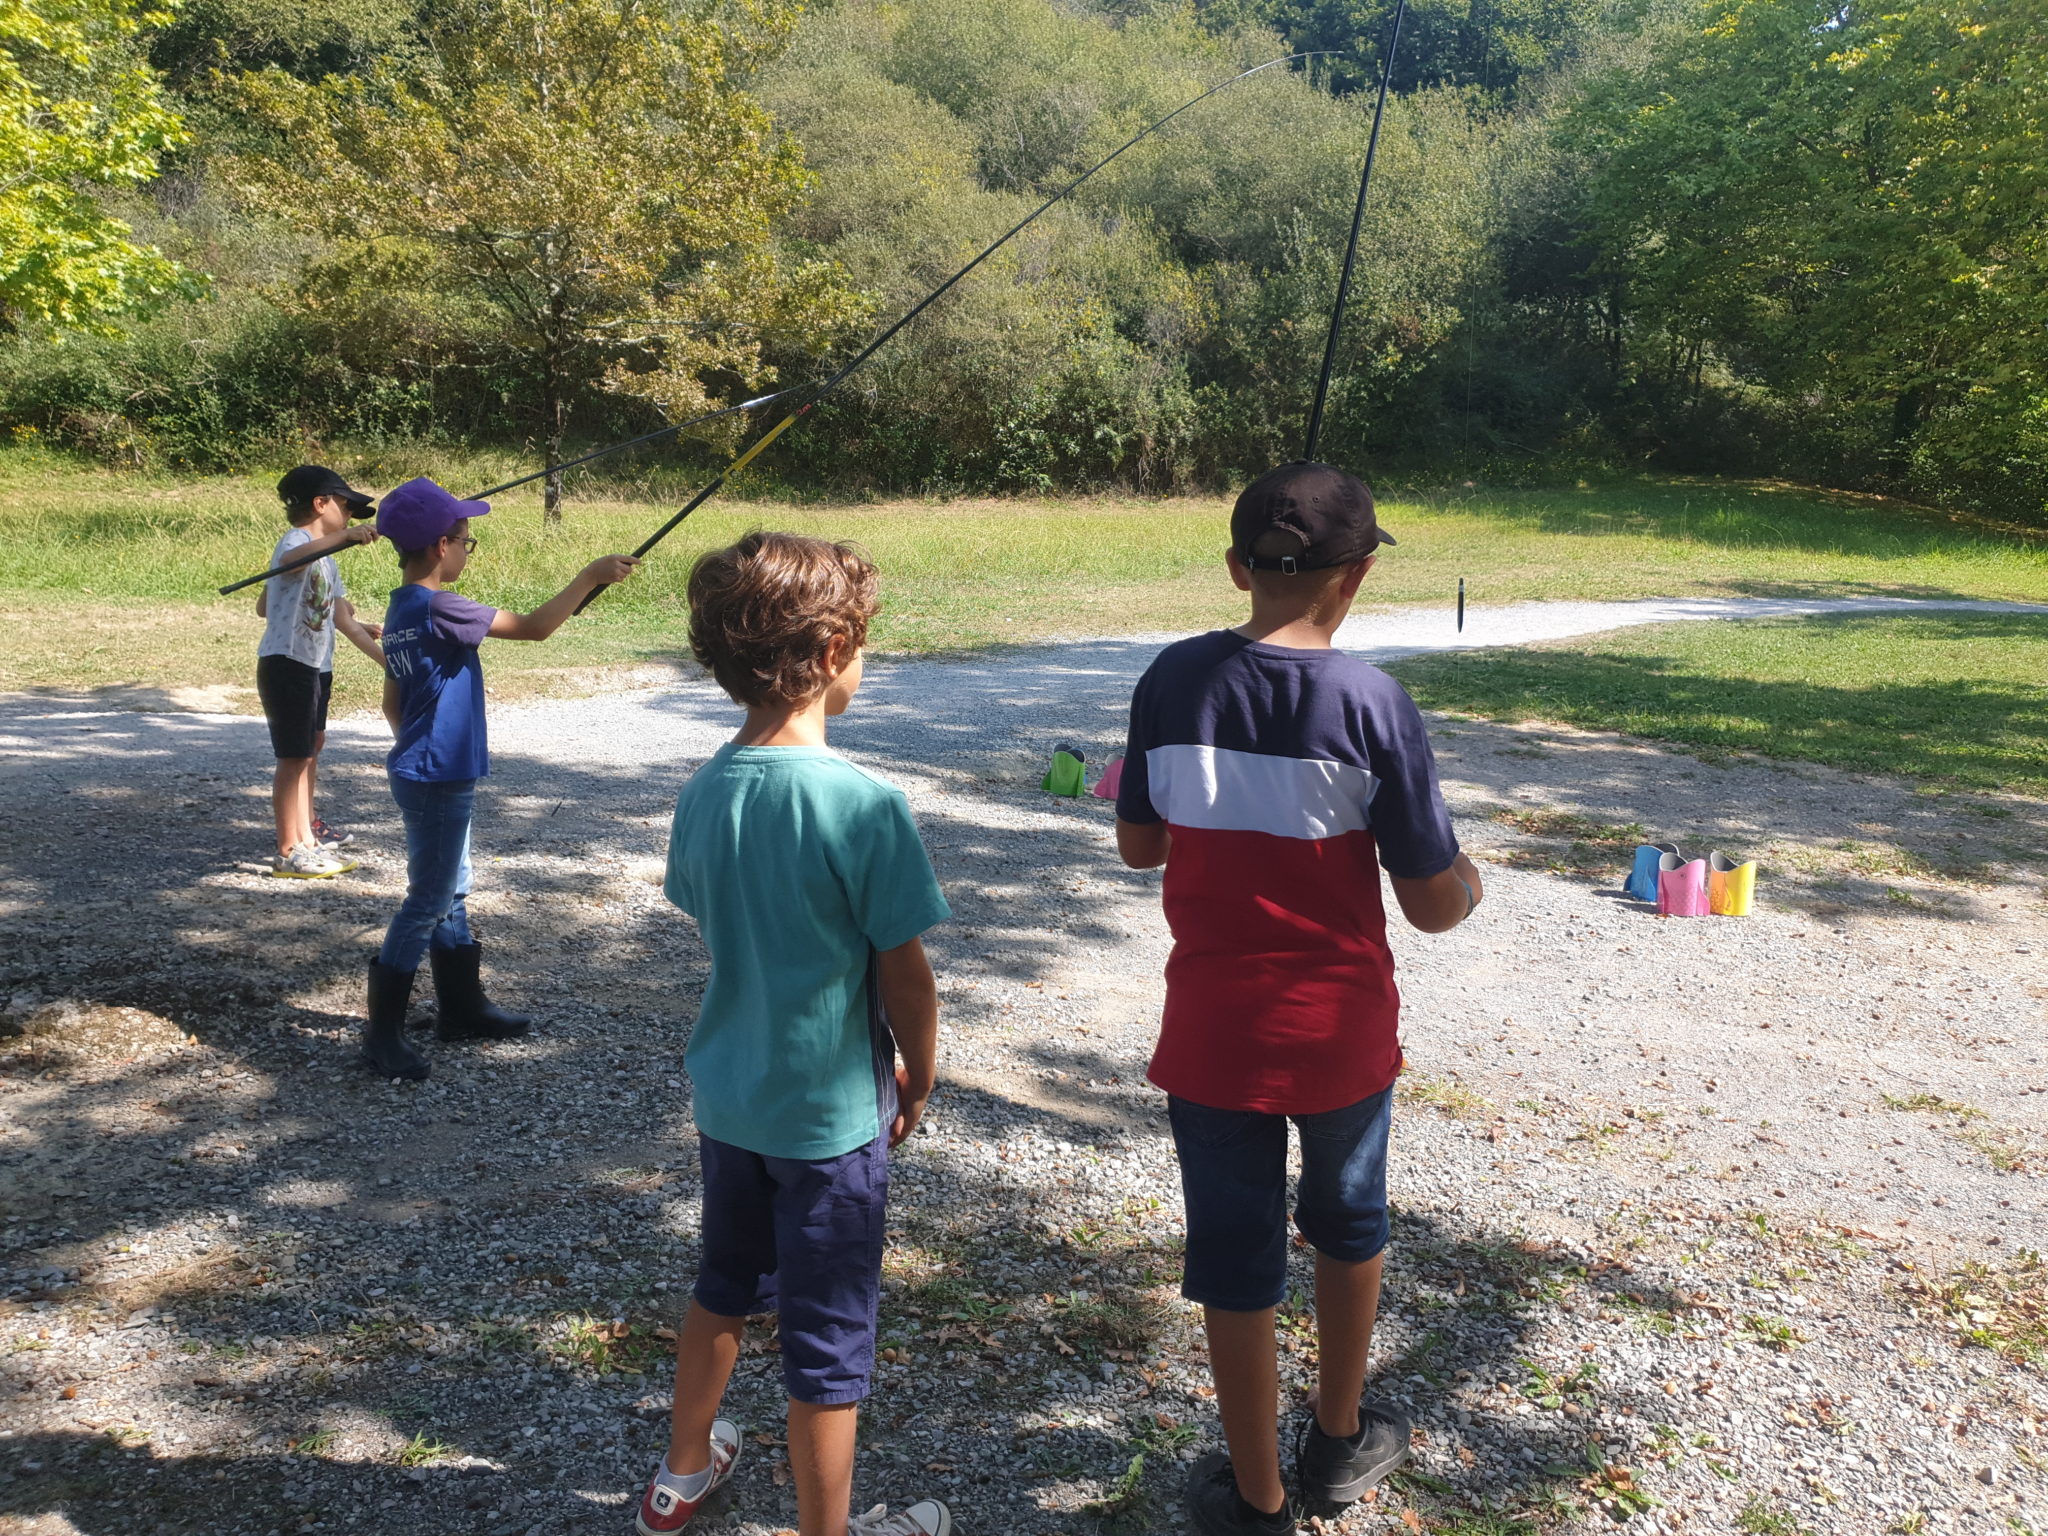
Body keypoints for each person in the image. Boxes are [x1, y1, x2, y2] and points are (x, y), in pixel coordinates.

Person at [1112, 462, 1486, 1535]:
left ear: (1236, 568)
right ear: (1357, 576)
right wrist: (1470, 878)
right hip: (1339, 1036)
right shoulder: (1371, 702)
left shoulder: (1171, 680)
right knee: (1346, 1225)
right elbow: (1430, 907)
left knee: (1233, 1262)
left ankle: (1257, 1499)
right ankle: (1334, 1441)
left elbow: (1140, 848)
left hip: (1212, 1035)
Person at [639, 532, 952, 1536]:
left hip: (728, 1103)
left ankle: (683, 1469)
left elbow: (708, 911)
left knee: (722, 1286)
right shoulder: (864, 806)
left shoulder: (702, 790)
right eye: (862, 643)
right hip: (826, 1122)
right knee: (826, 1339)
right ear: (828, 653)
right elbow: (904, 975)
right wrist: (918, 1073)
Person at [363, 477, 639, 1082]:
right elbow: (537, 628)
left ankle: (460, 1007)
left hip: (425, 767)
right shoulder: (442, 607)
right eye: (467, 540)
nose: (468, 549)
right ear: (441, 545)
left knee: (451, 887)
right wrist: (591, 576)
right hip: (437, 774)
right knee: (429, 898)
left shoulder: (402, 607)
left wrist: (420, 743)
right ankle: (382, 1032)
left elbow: (394, 700)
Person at [256, 465, 386, 878]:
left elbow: (342, 617)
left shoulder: (326, 558)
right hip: (287, 662)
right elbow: (292, 562)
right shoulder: (298, 541)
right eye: (346, 508)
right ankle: (288, 849)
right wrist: (343, 537)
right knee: (293, 756)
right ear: (320, 503)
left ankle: (308, 840)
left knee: (312, 744)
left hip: (315, 664)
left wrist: (390, 663)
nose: (350, 518)